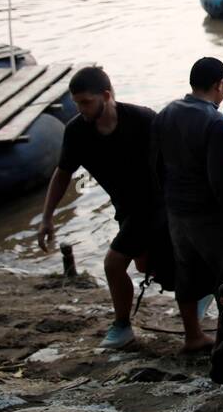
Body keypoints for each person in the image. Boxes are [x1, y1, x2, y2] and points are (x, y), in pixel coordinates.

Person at [36, 66, 164, 349]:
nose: (80, 109)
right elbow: (63, 173)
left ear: (106, 96)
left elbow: (174, 157)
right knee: (146, 265)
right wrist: (47, 218)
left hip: (156, 203)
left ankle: (122, 326)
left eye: (86, 102)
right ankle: (194, 289)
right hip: (125, 208)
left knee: (113, 263)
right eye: (76, 103)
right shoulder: (77, 131)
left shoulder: (142, 119)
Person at [151, 58, 223, 353]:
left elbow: (154, 166)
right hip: (208, 214)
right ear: (220, 85)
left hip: (177, 212)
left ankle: (192, 335)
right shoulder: (214, 122)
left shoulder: (166, 112)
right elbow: (221, 179)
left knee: (187, 273)